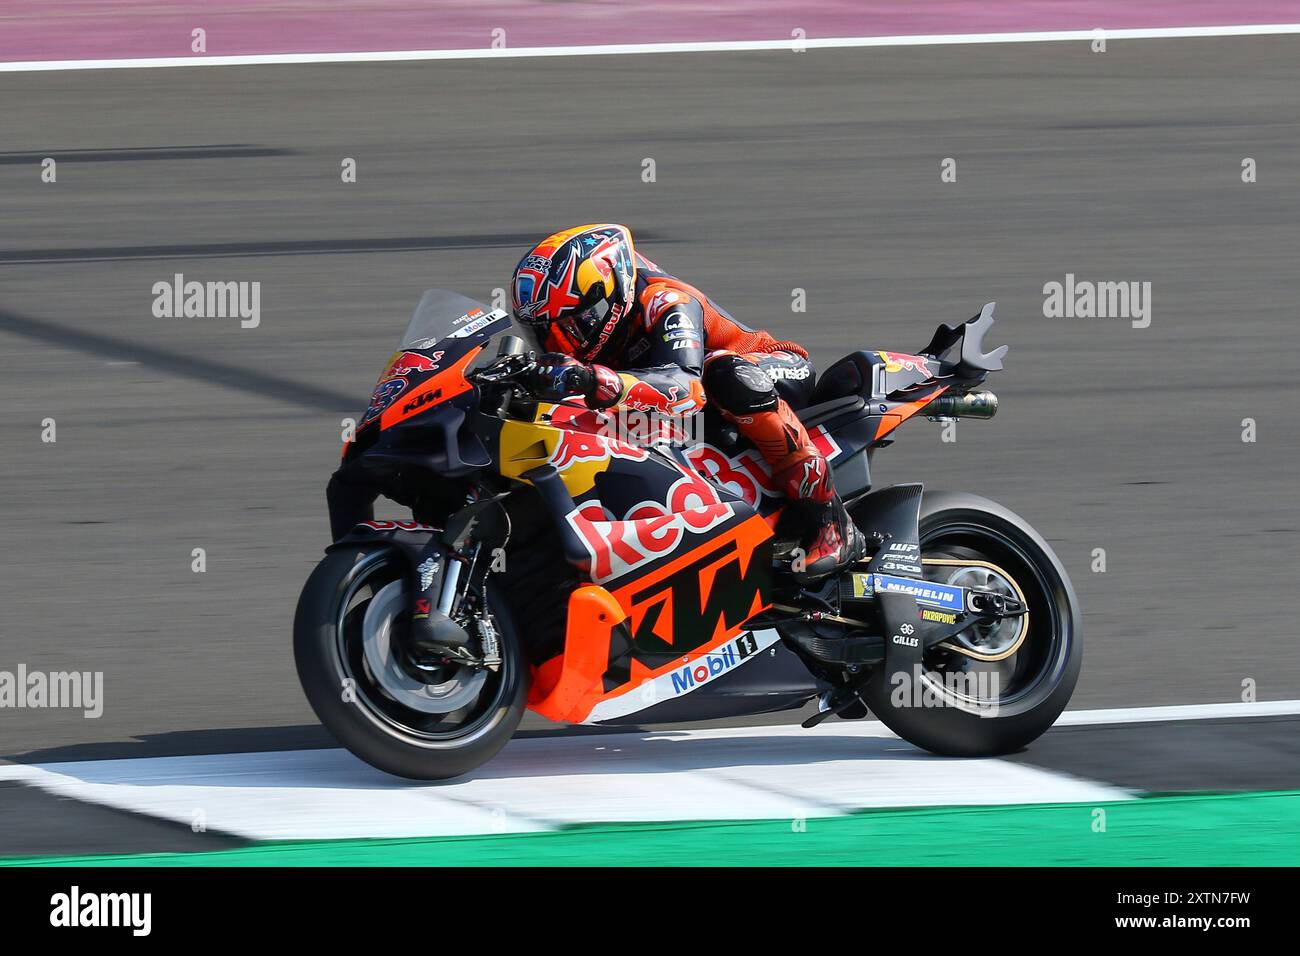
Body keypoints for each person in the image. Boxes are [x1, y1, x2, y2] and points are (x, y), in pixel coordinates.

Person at [511, 223, 865, 580]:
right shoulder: (603, 321)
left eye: (573, 325)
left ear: (611, 294)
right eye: (544, 333)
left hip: (770, 370)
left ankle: (832, 523)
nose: (561, 344)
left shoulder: (667, 300)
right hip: (690, 402)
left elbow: (685, 388)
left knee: (726, 374)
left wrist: (594, 378)